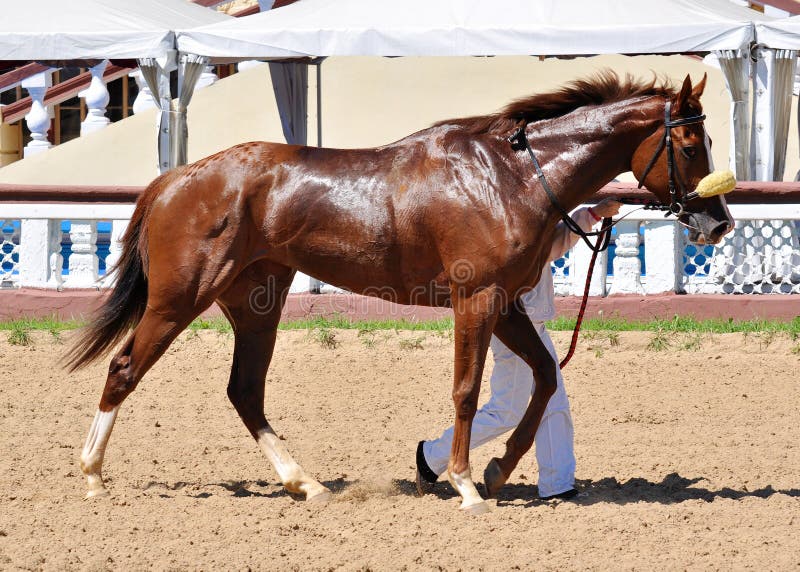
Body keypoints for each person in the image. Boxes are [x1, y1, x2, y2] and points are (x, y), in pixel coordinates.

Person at [416, 199, 622, 500]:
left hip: (531, 320)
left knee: (552, 402)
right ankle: (432, 457)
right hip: (516, 324)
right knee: (508, 410)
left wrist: (590, 214)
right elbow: (547, 248)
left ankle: (557, 483)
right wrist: (590, 215)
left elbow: (550, 241)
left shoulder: (523, 201)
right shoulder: (512, 210)